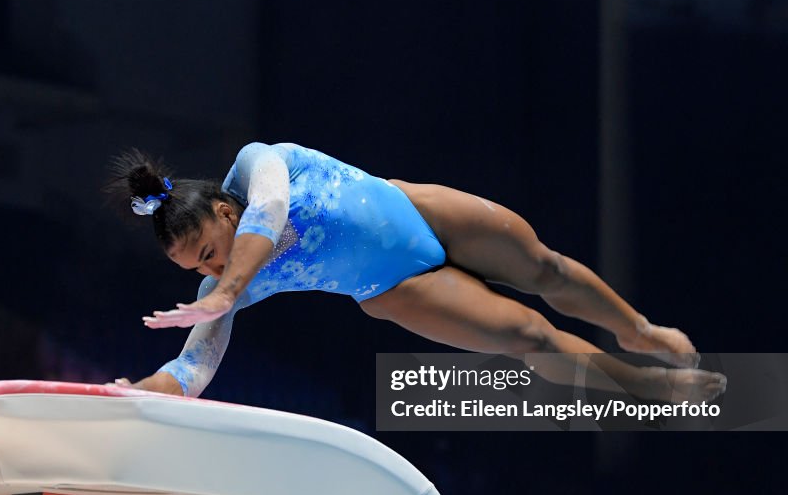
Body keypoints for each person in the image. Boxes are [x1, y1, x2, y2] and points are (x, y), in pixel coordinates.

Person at [110, 142, 726, 403]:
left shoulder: (256, 167)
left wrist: (228, 288)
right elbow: (192, 368)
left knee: (545, 268)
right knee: (529, 337)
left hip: (418, 211)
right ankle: (647, 389)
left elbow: (269, 211)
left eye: (209, 252)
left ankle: (638, 330)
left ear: (224, 210)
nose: (212, 271)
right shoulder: (221, 292)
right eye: (198, 270)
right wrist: (141, 395)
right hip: (397, 289)